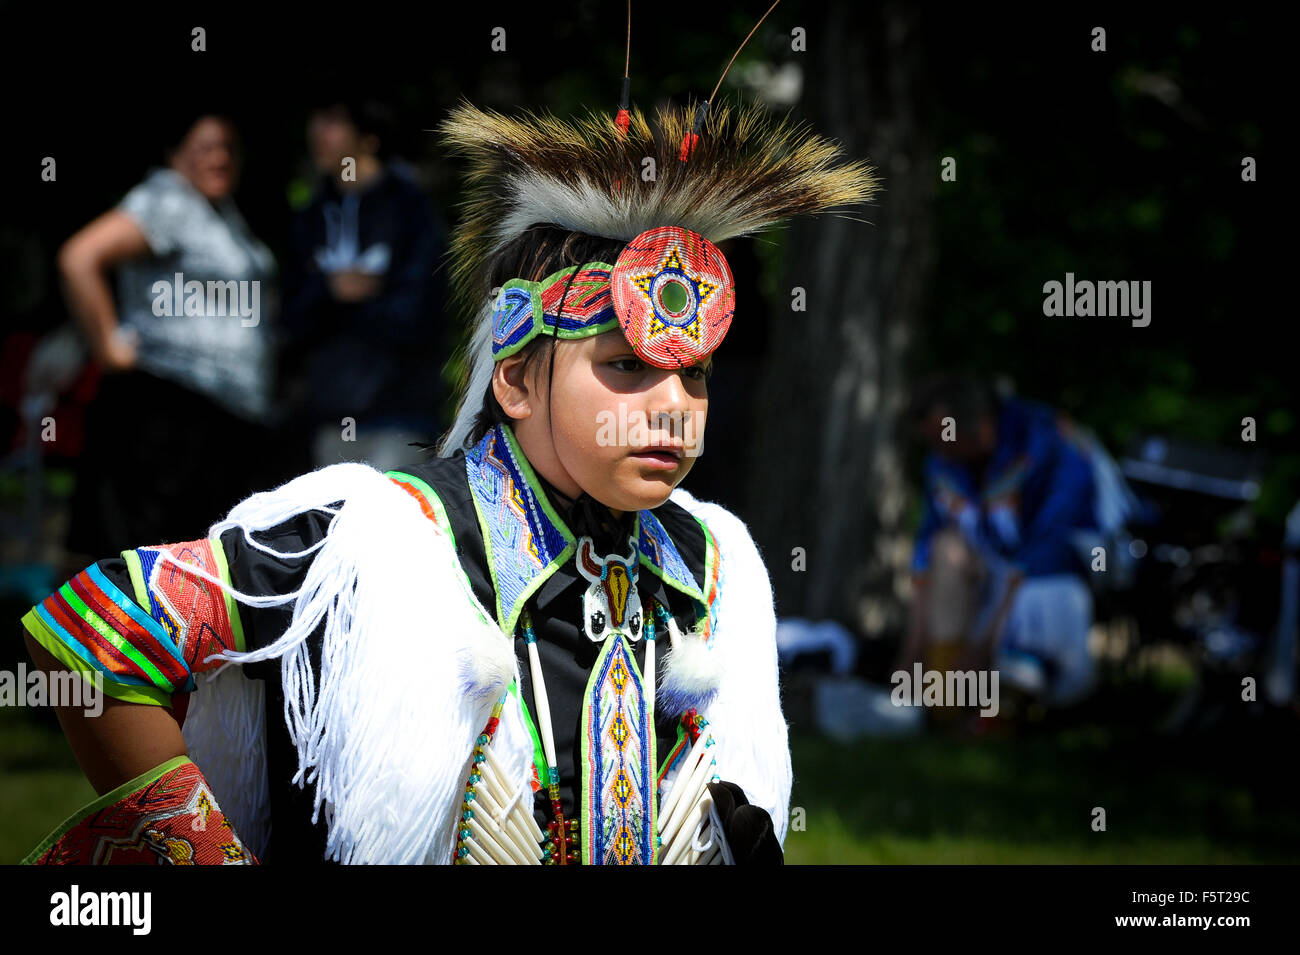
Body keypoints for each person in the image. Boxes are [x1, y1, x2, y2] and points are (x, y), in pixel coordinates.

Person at [17, 94, 877, 865]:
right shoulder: (382, 540)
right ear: (514, 378)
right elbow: (96, 635)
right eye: (624, 366)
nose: (672, 406)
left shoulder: (708, 565)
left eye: (695, 375)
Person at [58, 114, 279, 563]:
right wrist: (109, 347)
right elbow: (80, 258)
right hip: (165, 414)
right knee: (146, 563)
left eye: (227, 148)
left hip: (213, 420)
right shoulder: (167, 200)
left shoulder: (218, 212)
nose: (219, 158)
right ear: (173, 154)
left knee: (191, 565)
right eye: (204, 147)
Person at [896, 376, 1102, 707]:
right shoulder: (944, 462)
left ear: (980, 425)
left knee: (1044, 587)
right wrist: (912, 653)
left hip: (1058, 568)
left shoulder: (1048, 441)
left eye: (944, 437)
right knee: (946, 549)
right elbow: (926, 551)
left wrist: (986, 645)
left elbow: (1046, 544)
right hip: (994, 568)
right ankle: (945, 699)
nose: (938, 450)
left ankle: (1021, 692)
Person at [280, 98, 446, 474]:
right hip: (329, 417)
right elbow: (289, 319)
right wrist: (332, 290)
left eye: (333, 120)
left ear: (369, 137)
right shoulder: (310, 218)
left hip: (399, 415)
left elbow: (420, 313)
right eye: (316, 119)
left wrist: (347, 300)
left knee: (389, 530)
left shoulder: (411, 211)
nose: (318, 133)